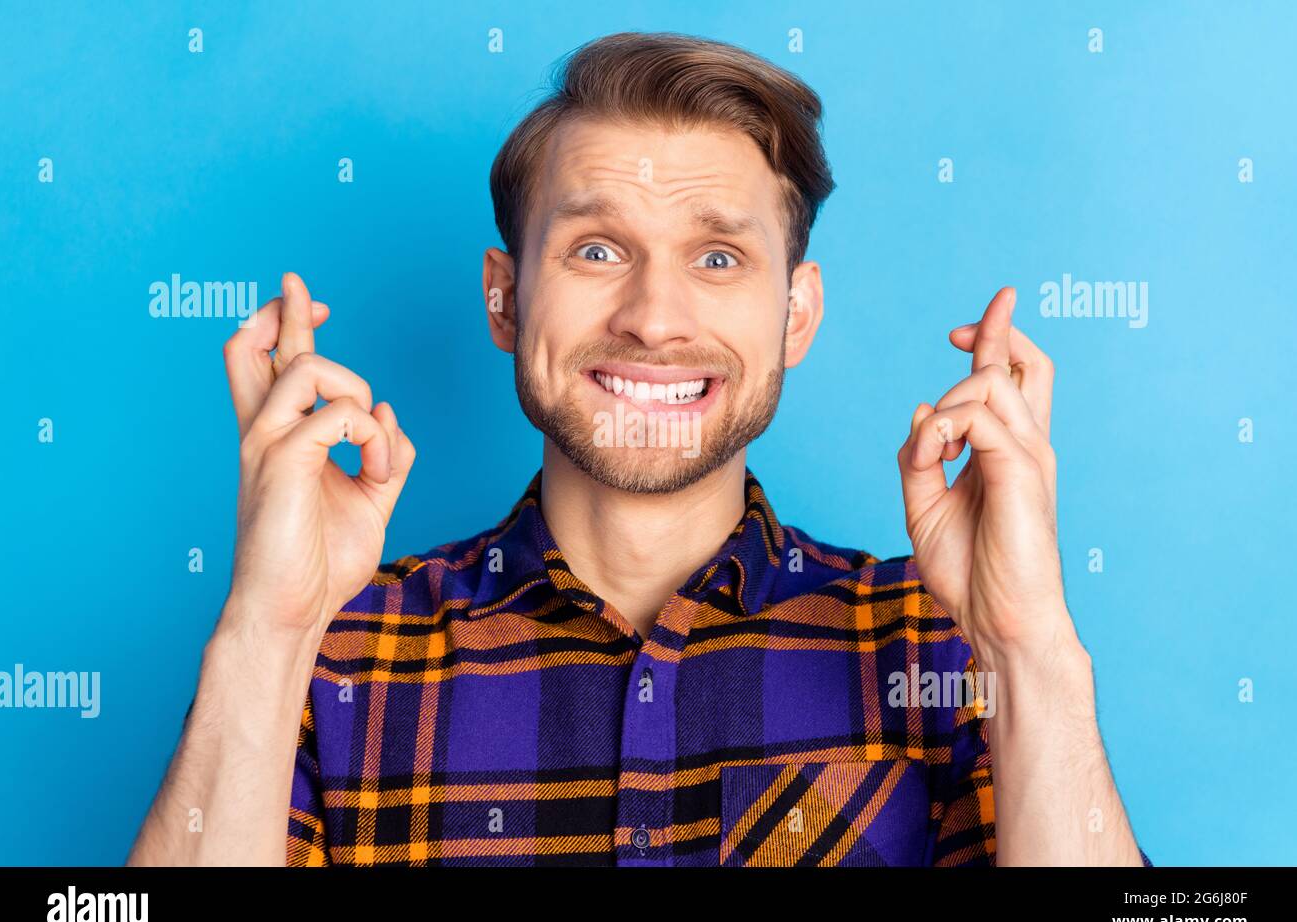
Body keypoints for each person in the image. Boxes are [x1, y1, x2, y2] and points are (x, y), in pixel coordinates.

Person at [129, 32, 1150, 867]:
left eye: (717, 256)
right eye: (596, 249)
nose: (654, 317)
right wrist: (268, 625)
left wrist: (1030, 645)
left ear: (794, 316)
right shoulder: (337, 654)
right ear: (504, 295)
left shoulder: (936, 648)